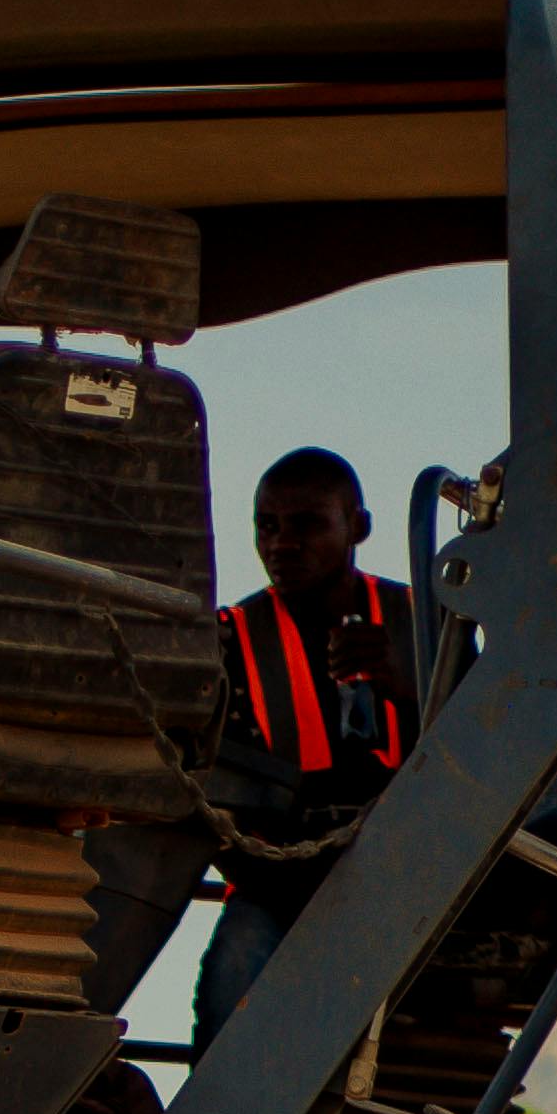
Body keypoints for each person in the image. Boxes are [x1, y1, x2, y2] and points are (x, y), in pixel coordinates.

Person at [191, 447, 421, 1054]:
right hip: (285, 879)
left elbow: (497, 752)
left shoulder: (424, 621)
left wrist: (406, 685)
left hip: (423, 864)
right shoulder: (229, 640)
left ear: (359, 528)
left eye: (307, 524)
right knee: (235, 965)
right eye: (267, 526)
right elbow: (219, 801)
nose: (281, 544)